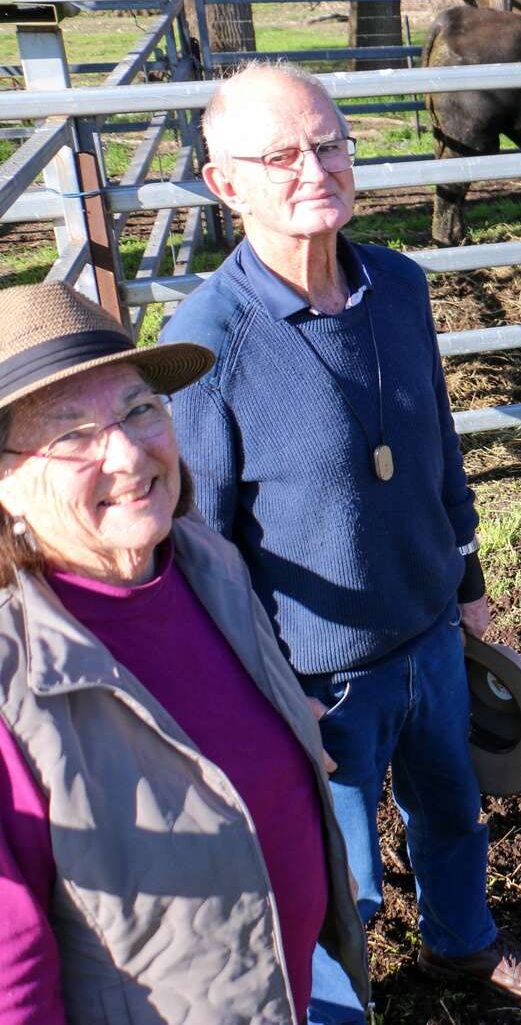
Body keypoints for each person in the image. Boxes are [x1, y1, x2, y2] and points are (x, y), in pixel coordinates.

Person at [159, 61, 521, 1023]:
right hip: (317, 678)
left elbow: (437, 446)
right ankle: (340, 1003)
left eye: (331, 143)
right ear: (226, 185)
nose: (317, 167)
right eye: (282, 154)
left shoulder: (398, 285)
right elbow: (201, 550)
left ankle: (463, 945)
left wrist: (467, 576)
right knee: (339, 877)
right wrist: (266, 689)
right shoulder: (206, 346)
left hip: (429, 628)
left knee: (454, 811)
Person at [0, 280, 367, 1024]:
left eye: (141, 409)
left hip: (285, 985)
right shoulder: (14, 685)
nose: (130, 455)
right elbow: (13, 977)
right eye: (70, 435)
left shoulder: (202, 559)